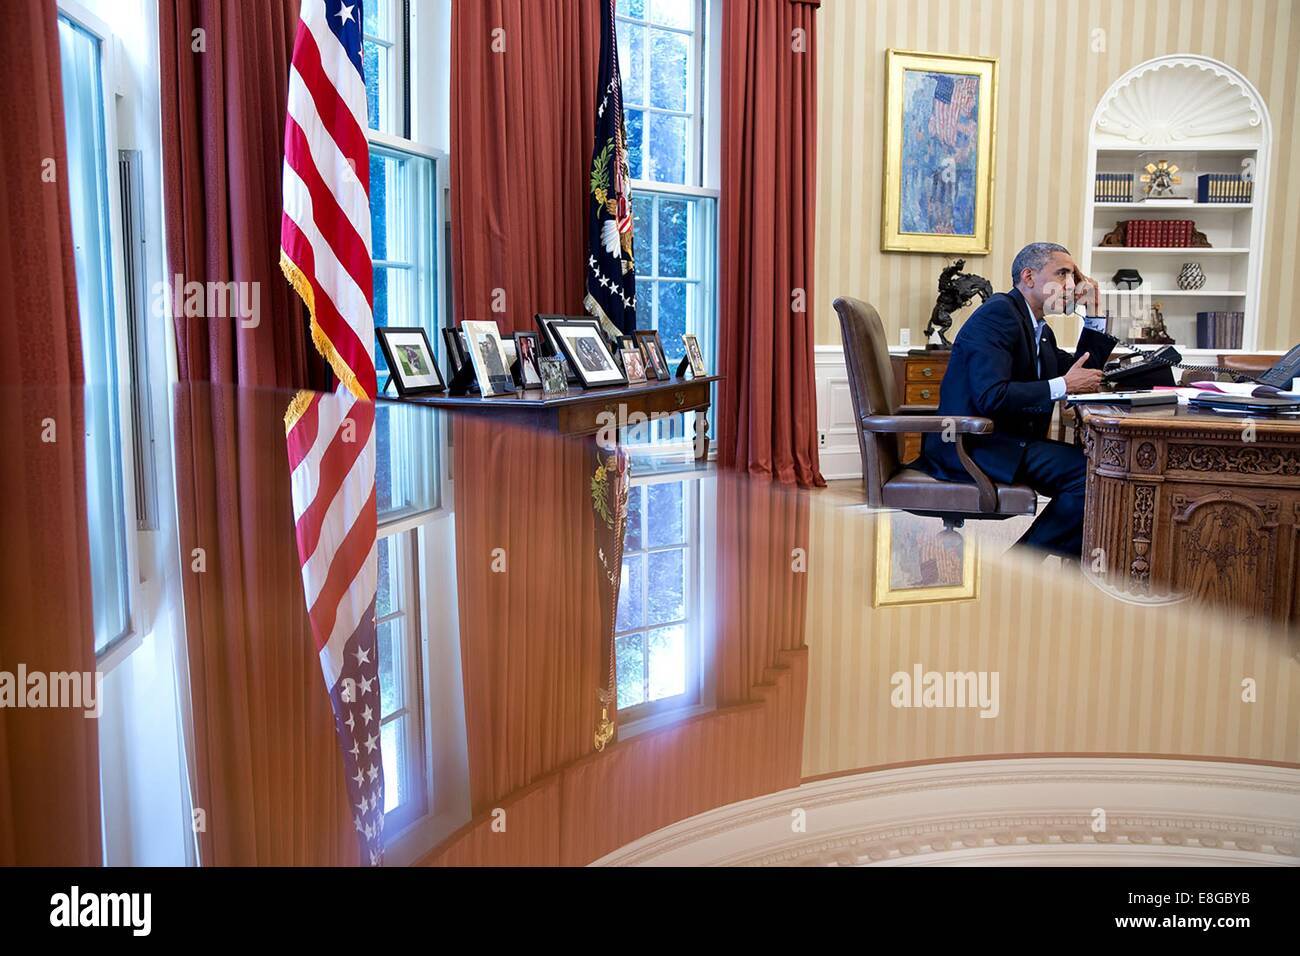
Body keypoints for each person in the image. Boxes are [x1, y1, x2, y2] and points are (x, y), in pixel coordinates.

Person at [919, 242, 1106, 558]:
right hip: (975, 445)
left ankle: (1072, 571)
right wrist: (1063, 385)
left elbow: (1084, 372)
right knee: (1092, 475)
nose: (1072, 285)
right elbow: (992, 396)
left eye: (1074, 276)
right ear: (1029, 277)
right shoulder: (998, 314)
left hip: (1010, 442)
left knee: (1097, 470)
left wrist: (1095, 313)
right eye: (1062, 274)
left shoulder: (1039, 329)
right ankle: (1021, 564)